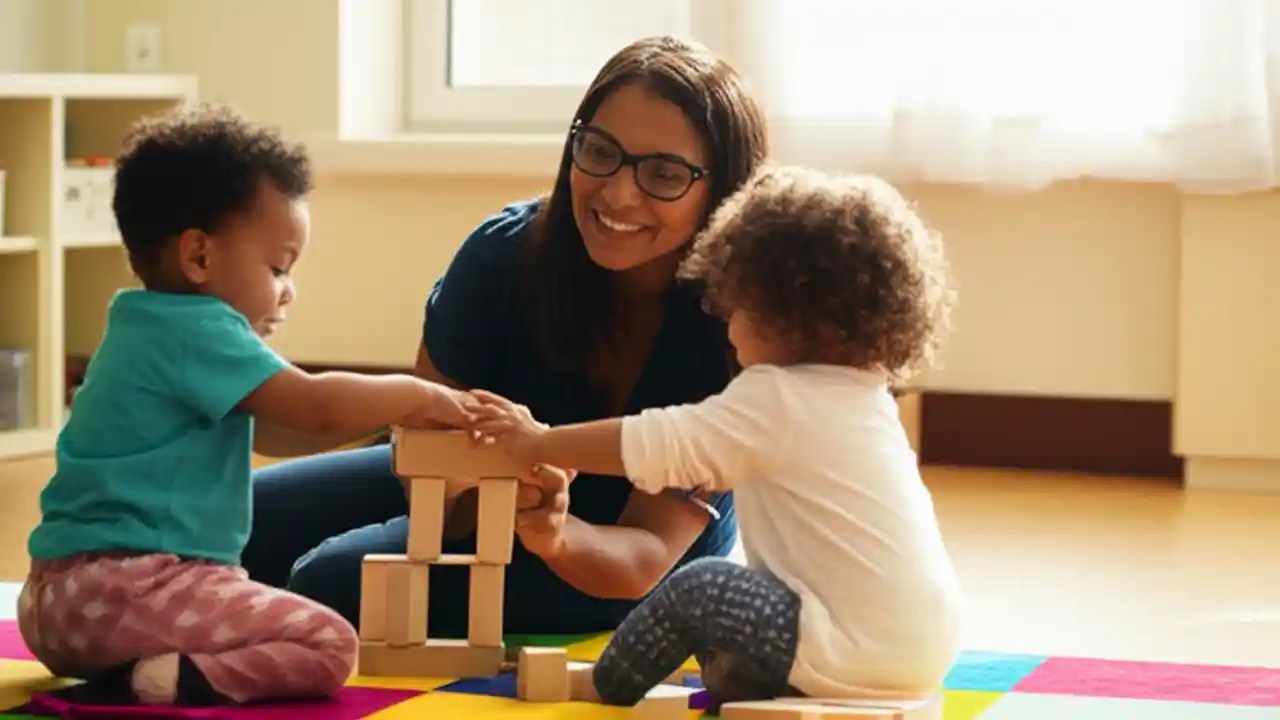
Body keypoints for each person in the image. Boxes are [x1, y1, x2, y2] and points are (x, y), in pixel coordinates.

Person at [242, 35, 770, 636]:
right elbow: (423, 462)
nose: (619, 193)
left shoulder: (735, 322)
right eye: (599, 151)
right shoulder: (504, 255)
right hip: (481, 490)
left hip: (635, 552)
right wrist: (478, 498)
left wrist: (550, 526)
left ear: (721, 190)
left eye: (664, 173)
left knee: (326, 580)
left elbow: (642, 556)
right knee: (227, 522)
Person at [17, 103, 482, 707]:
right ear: (200, 257)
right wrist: (419, 394)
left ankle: (145, 668)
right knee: (330, 643)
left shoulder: (141, 324)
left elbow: (285, 433)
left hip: (57, 602)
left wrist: (385, 416)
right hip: (128, 589)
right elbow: (312, 405)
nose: (288, 290)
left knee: (268, 611)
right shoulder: (200, 328)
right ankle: (153, 682)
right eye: (278, 267)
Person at [470, 164, 963, 710]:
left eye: (735, 307)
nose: (726, 327)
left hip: (850, 648)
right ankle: (763, 682)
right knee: (736, 599)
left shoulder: (777, 398)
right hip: (924, 649)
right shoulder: (866, 397)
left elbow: (655, 444)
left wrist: (537, 444)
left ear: (777, 314)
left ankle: (607, 684)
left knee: (702, 587)